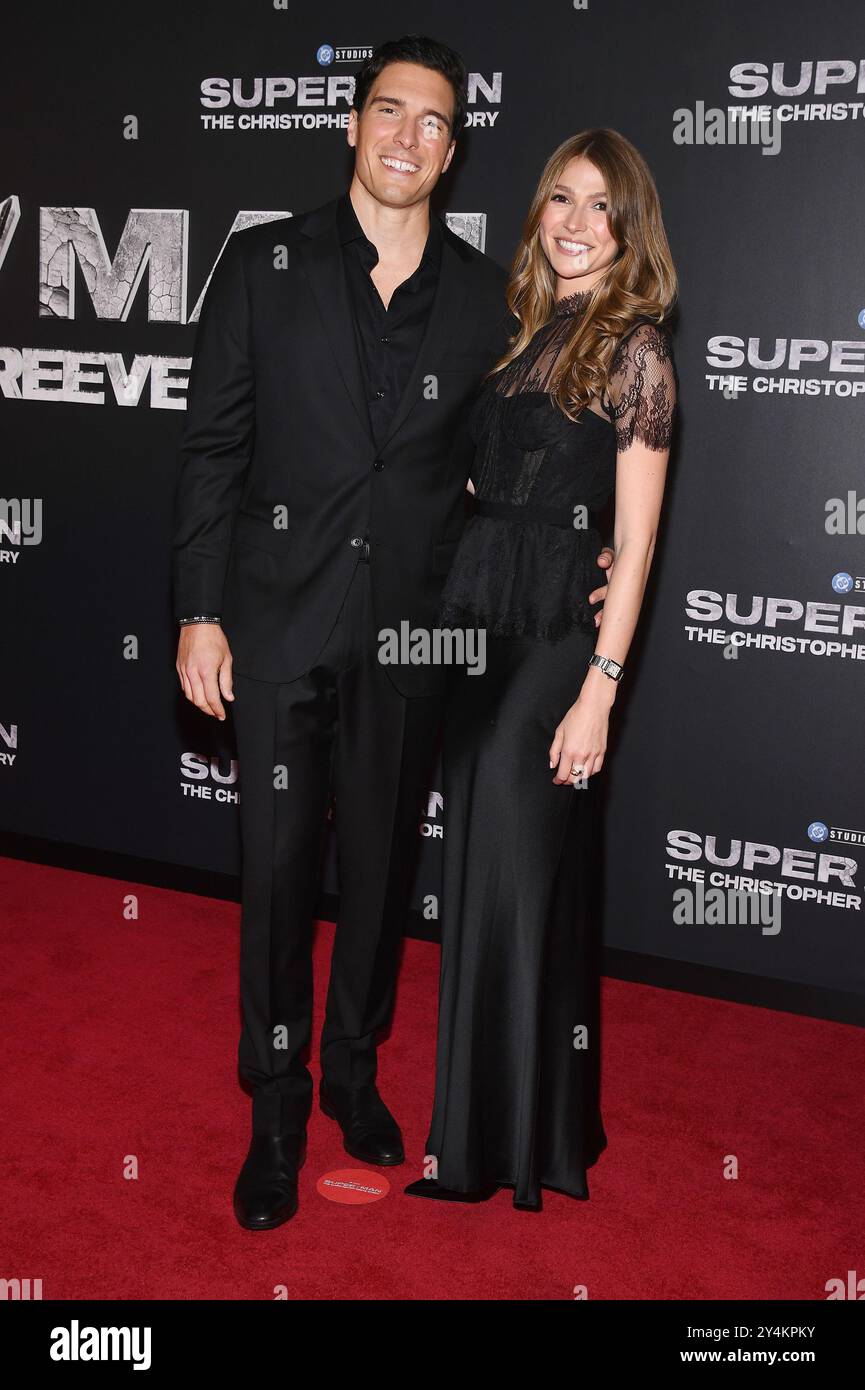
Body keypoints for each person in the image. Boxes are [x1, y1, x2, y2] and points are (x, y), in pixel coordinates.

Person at [172, 34, 618, 1231]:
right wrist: (200, 609)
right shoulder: (263, 265)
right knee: (273, 881)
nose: (408, 136)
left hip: (418, 642)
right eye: (390, 111)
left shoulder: (489, 303)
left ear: (454, 149)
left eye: (433, 122)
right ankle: (276, 1108)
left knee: (377, 875)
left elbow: (525, 457)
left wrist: (597, 546)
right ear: (352, 123)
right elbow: (213, 448)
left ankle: (356, 1078)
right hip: (273, 621)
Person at [405, 128, 679, 1211]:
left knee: (518, 875)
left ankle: (496, 1146)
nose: (572, 222)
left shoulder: (636, 349)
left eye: (598, 207)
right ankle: (530, 1122)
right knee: (487, 869)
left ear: (629, 227)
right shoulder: (528, 334)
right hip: (483, 625)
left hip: (559, 642)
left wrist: (600, 689)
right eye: (559, 199)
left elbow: (641, 538)